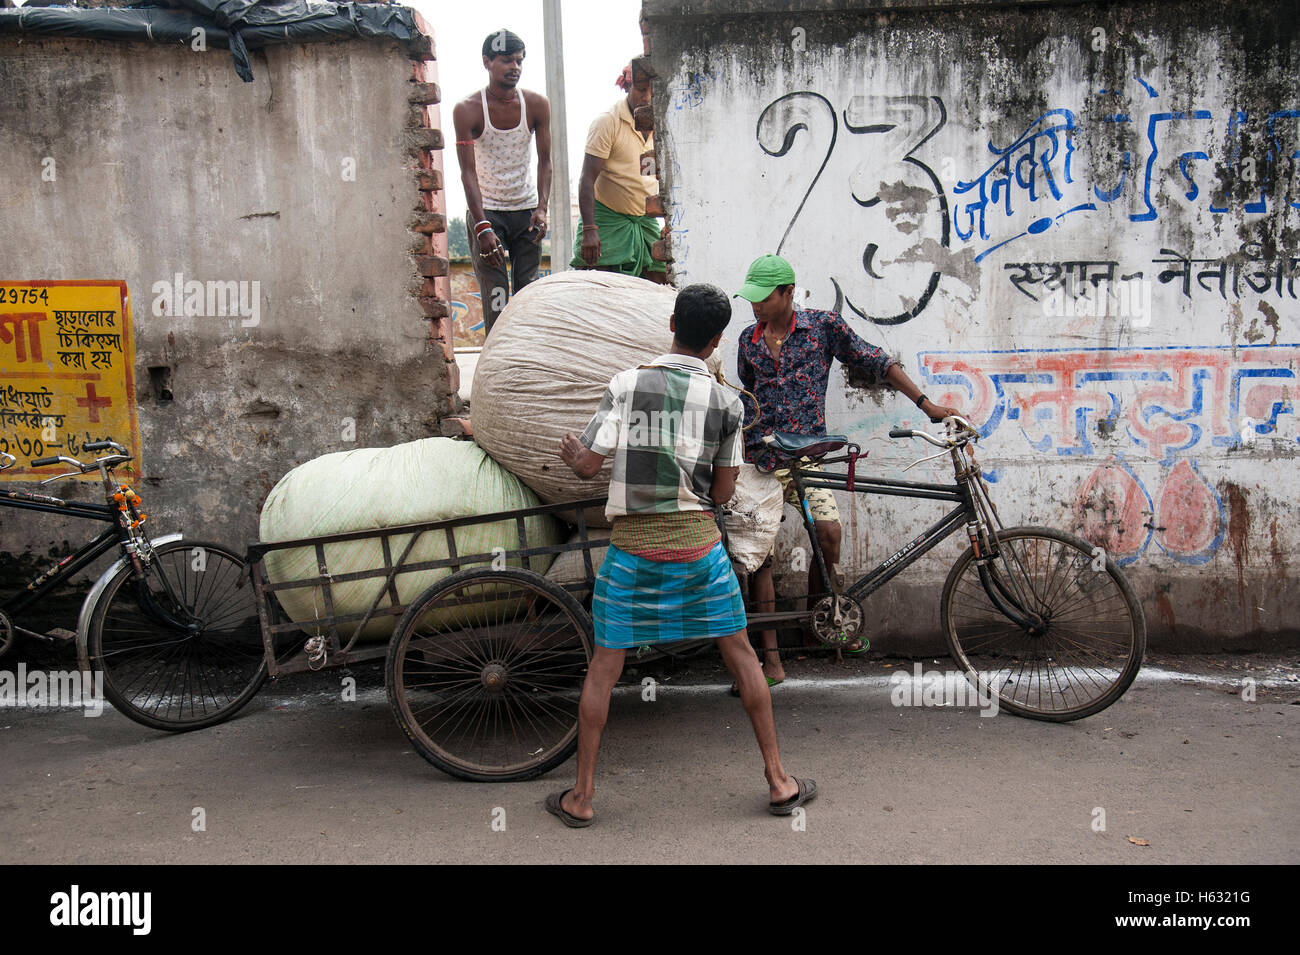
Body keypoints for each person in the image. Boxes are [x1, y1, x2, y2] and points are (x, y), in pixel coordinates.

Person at [549, 283, 816, 827]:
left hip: (631, 556)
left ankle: (581, 797)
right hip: (699, 553)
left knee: (604, 667)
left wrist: (576, 453)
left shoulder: (626, 386)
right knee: (742, 656)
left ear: (672, 322)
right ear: (717, 339)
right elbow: (722, 495)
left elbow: (587, 469)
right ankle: (778, 781)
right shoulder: (728, 403)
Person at [735, 254, 961, 684]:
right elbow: (748, 396)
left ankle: (821, 622)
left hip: (808, 458)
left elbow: (875, 360)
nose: (756, 307)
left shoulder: (822, 327)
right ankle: (770, 659)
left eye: (763, 299)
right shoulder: (748, 340)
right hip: (762, 461)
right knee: (758, 555)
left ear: (787, 293)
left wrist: (926, 405)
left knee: (828, 533)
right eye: (752, 299)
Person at [452, 29, 552, 336]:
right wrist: (482, 226)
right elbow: (467, 173)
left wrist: (543, 209)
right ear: (487, 62)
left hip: (526, 212)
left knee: (526, 294)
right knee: (495, 296)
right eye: (507, 60)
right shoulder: (468, 109)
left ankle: (525, 360)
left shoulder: (536, 105)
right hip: (488, 212)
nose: (515, 67)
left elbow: (546, 160)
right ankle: (497, 368)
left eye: (519, 61)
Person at [570, 57, 668, 284]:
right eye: (641, 90)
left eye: (652, 92)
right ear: (628, 87)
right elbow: (586, 178)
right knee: (602, 286)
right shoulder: (608, 122)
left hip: (644, 219)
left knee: (662, 280)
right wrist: (589, 229)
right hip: (607, 218)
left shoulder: (663, 122)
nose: (646, 98)